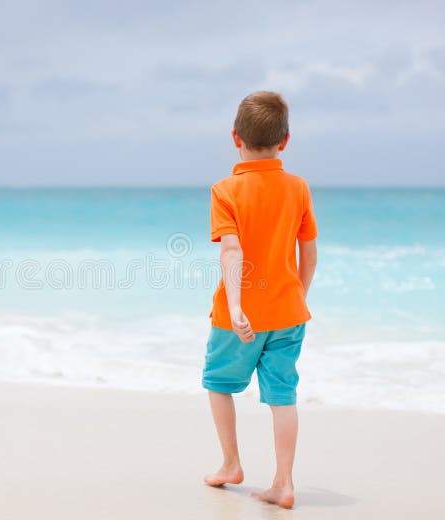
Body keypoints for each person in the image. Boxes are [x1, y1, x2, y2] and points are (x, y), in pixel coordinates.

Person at [201, 91, 318, 510]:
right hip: (289, 313)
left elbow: (232, 251)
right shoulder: (298, 187)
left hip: (238, 316)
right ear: (284, 141)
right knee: (282, 396)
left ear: (235, 137)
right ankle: (284, 484)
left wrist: (235, 308)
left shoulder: (226, 190)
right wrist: (296, 297)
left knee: (218, 383)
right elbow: (309, 252)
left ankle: (231, 464)